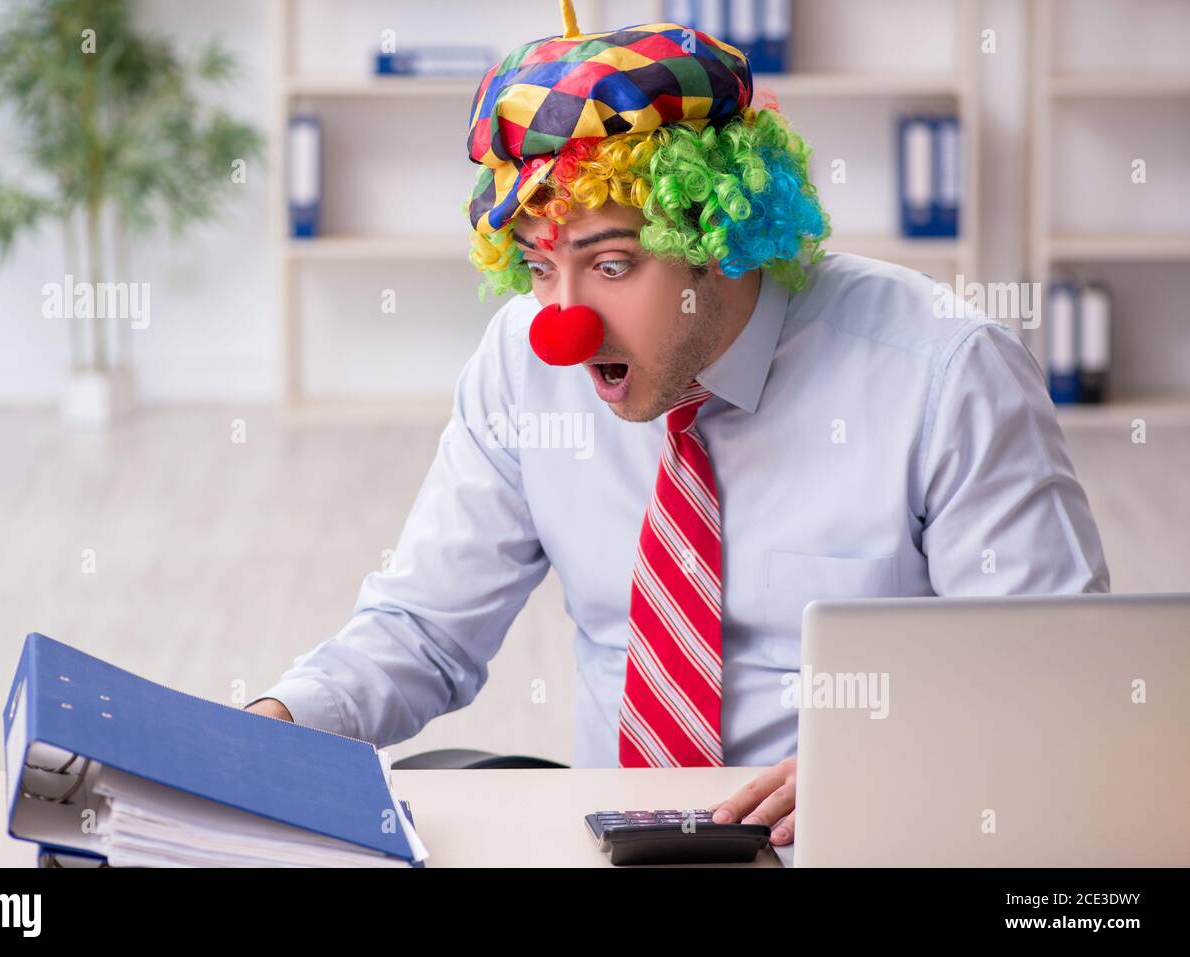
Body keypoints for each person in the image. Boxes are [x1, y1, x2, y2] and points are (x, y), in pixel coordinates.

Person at [247, 0, 1108, 849]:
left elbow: (1056, 674)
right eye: (541, 266)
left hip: (863, 834)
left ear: (719, 231)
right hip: (616, 838)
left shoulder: (945, 375)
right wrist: (275, 724)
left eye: (611, 263)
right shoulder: (519, 365)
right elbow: (424, 628)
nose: (563, 324)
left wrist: (899, 755)